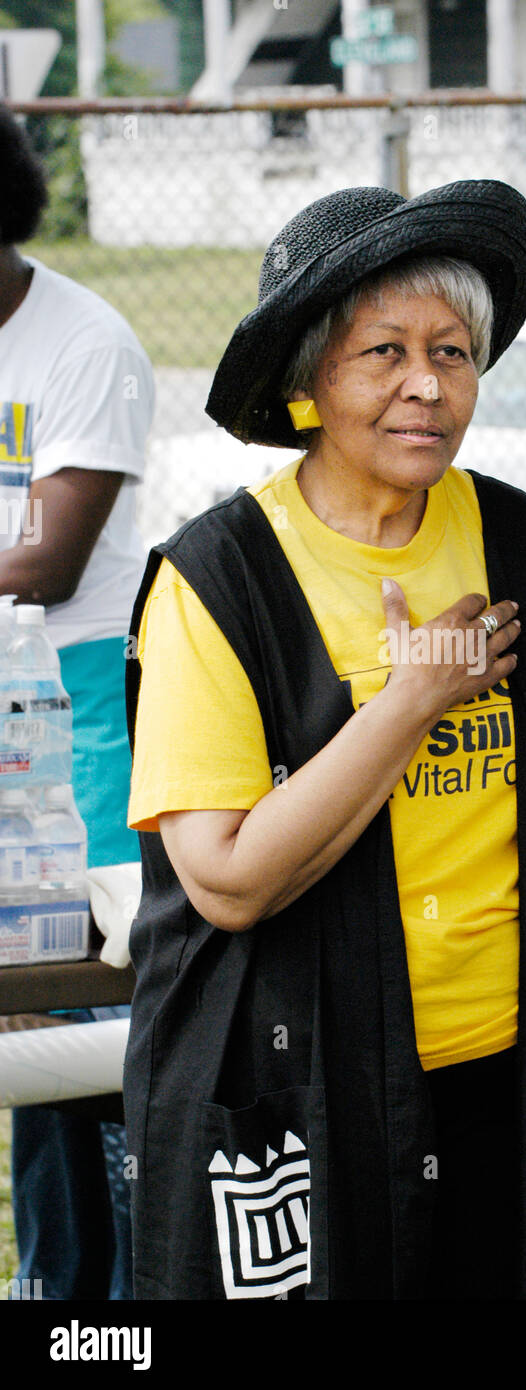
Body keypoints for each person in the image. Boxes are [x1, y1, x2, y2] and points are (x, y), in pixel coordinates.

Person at [123, 179, 526, 1301]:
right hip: (300, 1100)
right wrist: (407, 705)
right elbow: (229, 880)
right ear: (308, 383)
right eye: (384, 352)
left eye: (453, 352)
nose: (426, 386)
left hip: (507, 1077)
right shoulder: (218, 582)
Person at [0, 105, 154, 1300]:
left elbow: (45, 561)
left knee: (76, 1013)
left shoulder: (82, 343)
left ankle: (110, 1303)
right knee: (19, 1020)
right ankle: (59, 1287)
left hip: (73, 716)